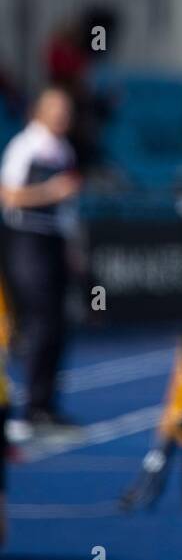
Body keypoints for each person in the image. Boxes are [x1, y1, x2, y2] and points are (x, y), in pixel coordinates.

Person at [0, 87, 81, 432]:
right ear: (40, 111)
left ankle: (47, 404)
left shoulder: (63, 151)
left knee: (58, 324)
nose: (63, 116)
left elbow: (67, 210)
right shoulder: (25, 146)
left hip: (53, 240)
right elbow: (9, 195)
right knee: (39, 322)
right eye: (56, 109)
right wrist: (50, 192)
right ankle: (31, 405)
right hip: (26, 240)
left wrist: (72, 247)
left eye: (67, 109)